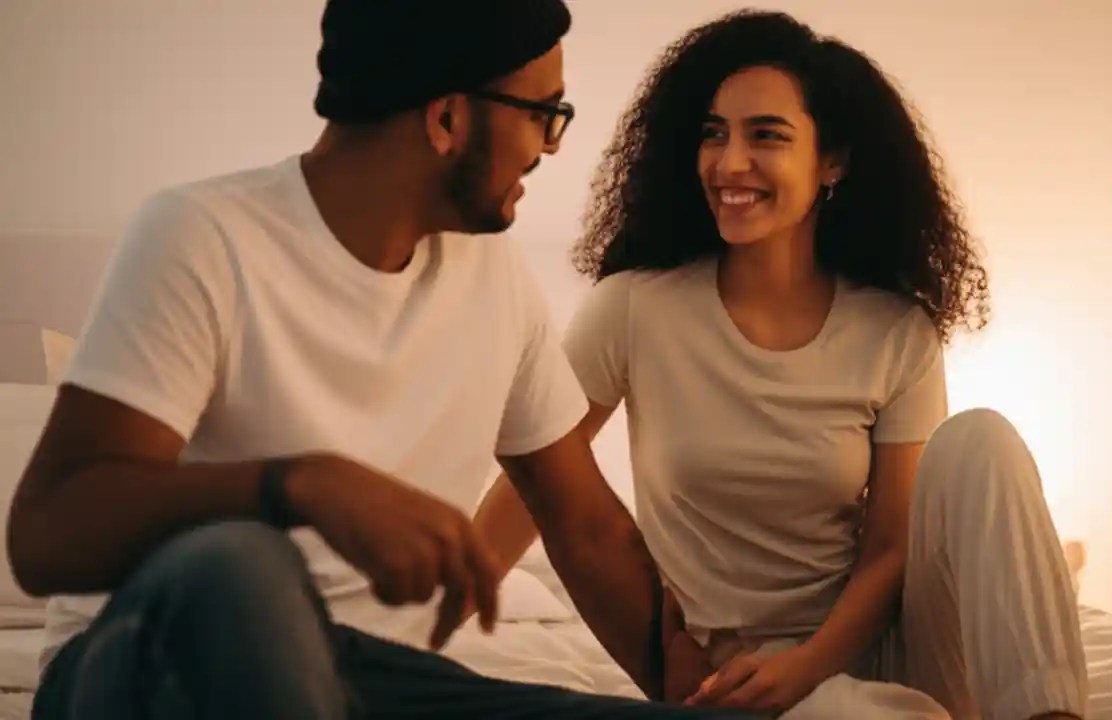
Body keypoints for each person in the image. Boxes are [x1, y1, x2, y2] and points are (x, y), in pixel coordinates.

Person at [4, 2, 764, 719]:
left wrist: (691, 696)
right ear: (446, 118)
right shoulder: (205, 238)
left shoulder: (492, 280)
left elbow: (586, 529)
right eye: (543, 114)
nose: (549, 145)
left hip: (364, 681)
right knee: (240, 565)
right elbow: (47, 533)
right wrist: (300, 486)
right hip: (148, 669)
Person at [475, 10, 1089, 720]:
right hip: (741, 675)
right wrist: (415, 631)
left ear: (833, 161)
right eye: (713, 133)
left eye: (765, 135)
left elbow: (891, 548)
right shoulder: (634, 310)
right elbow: (538, 481)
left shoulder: (894, 328)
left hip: (881, 646)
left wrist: (808, 665)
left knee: (980, 438)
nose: (729, 163)